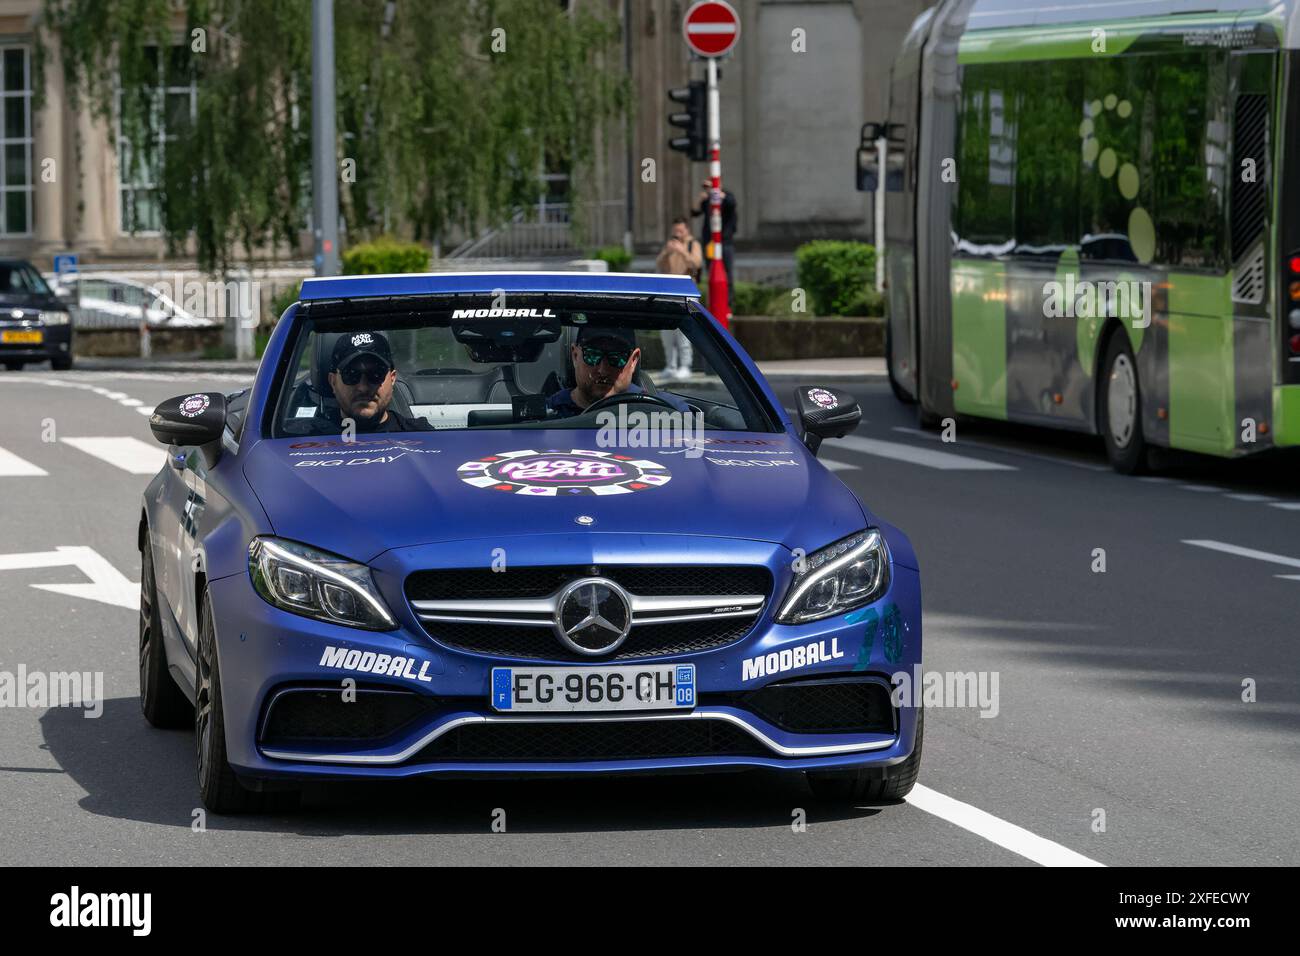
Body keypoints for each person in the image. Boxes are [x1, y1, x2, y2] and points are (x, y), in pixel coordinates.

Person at [547, 325, 691, 418]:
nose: (603, 370)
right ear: (575, 355)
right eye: (592, 355)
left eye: (616, 358)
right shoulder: (547, 413)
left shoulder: (667, 413)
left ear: (634, 360)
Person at [314, 331, 433, 433]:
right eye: (351, 375)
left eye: (376, 374)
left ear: (392, 379)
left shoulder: (422, 436)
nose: (363, 387)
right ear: (333, 382)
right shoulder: (304, 438)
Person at [655, 217, 702, 380]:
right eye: (675, 231)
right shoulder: (669, 245)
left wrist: (682, 251)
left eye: (680, 231)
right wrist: (667, 252)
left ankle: (685, 365)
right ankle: (670, 365)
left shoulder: (692, 244)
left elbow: (697, 264)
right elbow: (659, 264)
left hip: (686, 290)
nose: (677, 234)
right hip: (668, 290)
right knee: (667, 332)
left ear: (687, 230)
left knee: (684, 331)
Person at [691, 179, 737, 303]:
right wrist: (701, 198)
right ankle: (712, 300)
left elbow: (731, 203)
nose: (708, 189)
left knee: (726, 272)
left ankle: (728, 302)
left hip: (724, 242)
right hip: (710, 242)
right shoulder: (707, 200)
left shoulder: (727, 196)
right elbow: (694, 212)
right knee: (711, 270)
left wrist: (717, 193)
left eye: (710, 186)